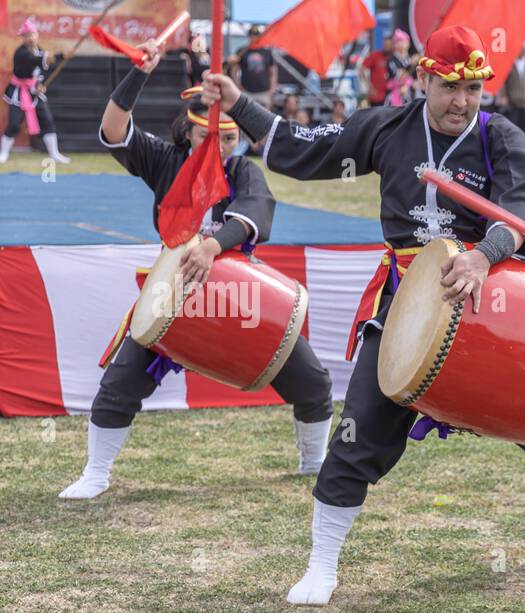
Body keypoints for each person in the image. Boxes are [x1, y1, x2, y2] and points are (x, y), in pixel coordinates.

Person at [202, 24, 525, 606]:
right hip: (408, 297)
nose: (462, 101)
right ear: (423, 78)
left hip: (489, 297)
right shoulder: (387, 127)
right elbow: (306, 148)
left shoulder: (501, 137)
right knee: (359, 430)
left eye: (474, 89)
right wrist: (240, 105)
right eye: (451, 87)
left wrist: (485, 254)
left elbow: (524, 209)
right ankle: (321, 565)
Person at [60, 42, 333, 500]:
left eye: (227, 138)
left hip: (236, 296)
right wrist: (138, 74)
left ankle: (315, 461)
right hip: (172, 294)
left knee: (312, 382)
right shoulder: (166, 162)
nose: (218, 145)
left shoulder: (244, 172)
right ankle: (97, 472)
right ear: (188, 131)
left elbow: (256, 216)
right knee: (119, 384)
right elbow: (112, 129)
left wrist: (212, 245)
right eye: (207, 135)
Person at [1, 18, 69, 164]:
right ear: (23, 37)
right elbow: (34, 60)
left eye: (33, 34)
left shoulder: (39, 50)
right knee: (14, 123)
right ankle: (3, 153)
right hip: (19, 93)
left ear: (37, 35)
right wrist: (57, 56)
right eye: (27, 35)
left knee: (47, 120)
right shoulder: (21, 53)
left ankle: (54, 153)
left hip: (34, 92)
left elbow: (42, 69)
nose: (31, 37)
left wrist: (41, 84)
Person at [236, 26, 277, 111]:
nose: (254, 38)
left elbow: (273, 71)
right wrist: (238, 86)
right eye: (252, 35)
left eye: (256, 35)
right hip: (247, 91)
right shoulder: (242, 51)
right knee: (246, 115)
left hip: (264, 92)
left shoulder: (267, 51)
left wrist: (272, 89)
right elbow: (234, 69)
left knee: (266, 117)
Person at [360, 36, 391, 109]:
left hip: (391, 96)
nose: (387, 47)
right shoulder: (376, 56)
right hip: (377, 96)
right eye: (385, 45)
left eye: (389, 45)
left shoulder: (394, 58)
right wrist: (369, 86)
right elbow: (361, 69)